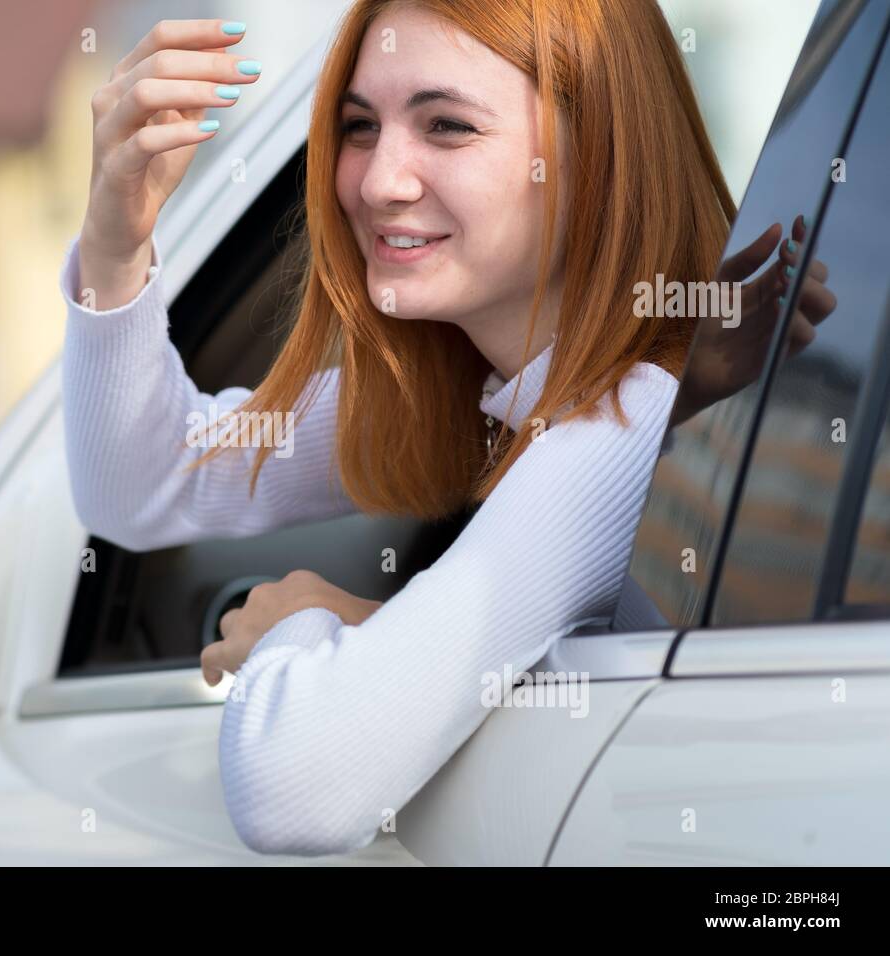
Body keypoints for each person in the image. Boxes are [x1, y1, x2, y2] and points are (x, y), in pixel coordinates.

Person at [58, 2, 813, 855]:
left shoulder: (627, 415)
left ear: (597, 154)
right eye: (358, 126)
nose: (379, 181)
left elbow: (293, 788)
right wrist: (115, 247)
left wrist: (302, 629)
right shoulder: (476, 393)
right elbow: (143, 485)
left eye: (447, 125)